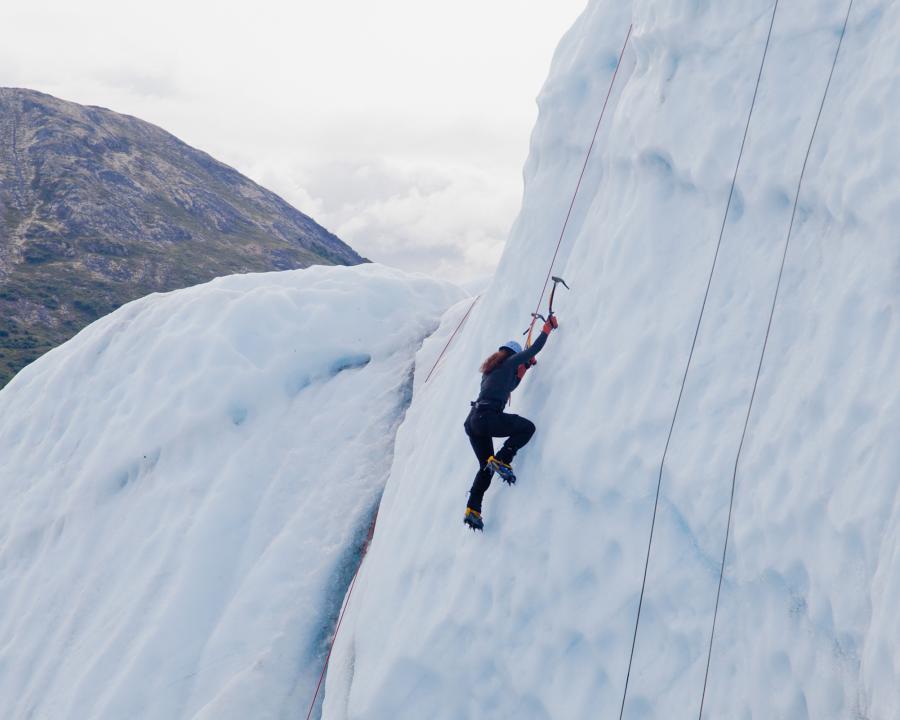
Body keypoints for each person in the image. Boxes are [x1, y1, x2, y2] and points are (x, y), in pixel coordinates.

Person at [463, 313, 558, 530]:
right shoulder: (509, 362)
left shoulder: (490, 372)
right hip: (487, 417)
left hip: (473, 422)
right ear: (513, 355)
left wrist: (525, 368)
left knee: (485, 467)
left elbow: (510, 385)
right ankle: (503, 458)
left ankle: (473, 509)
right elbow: (533, 350)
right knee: (527, 428)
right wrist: (547, 329)